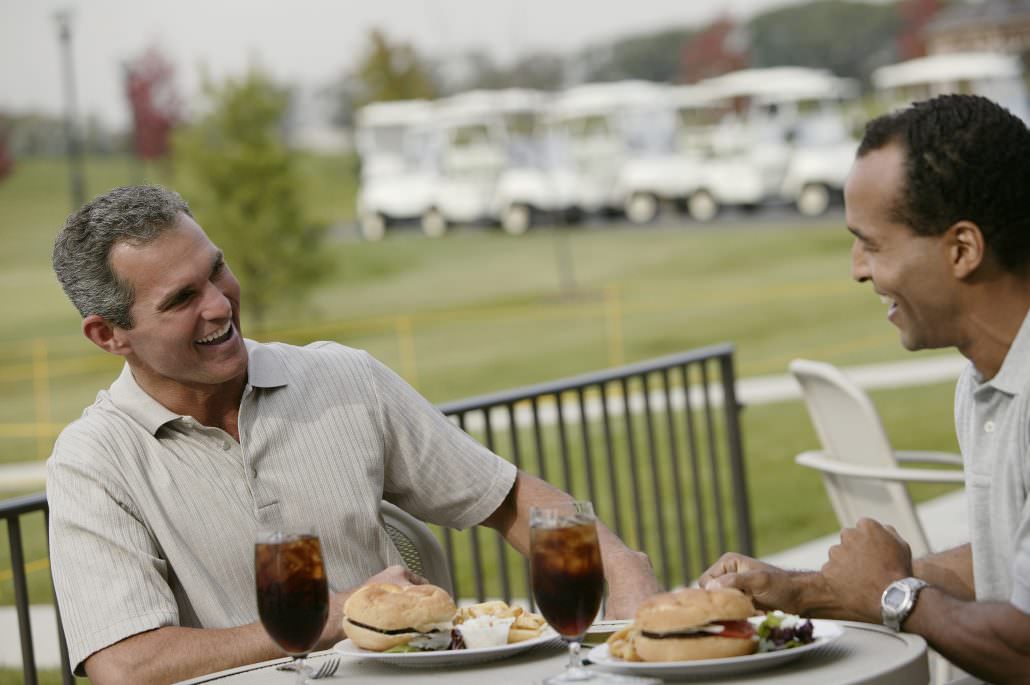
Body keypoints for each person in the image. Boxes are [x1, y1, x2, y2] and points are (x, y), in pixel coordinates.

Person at [47, 185, 659, 685]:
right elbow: (126, 664)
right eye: (181, 299)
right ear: (109, 335)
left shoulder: (344, 378)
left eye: (217, 270)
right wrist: (339, 613)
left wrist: (627, 570)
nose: (220, 305)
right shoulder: (91, 461)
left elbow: (508, 499)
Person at [700, 94, 1030, 682]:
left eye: (872, 244)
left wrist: (893, 594)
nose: (857, 268)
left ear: (962, 250)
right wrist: (808, 591)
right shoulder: (982, 384)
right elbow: (1003, 565)